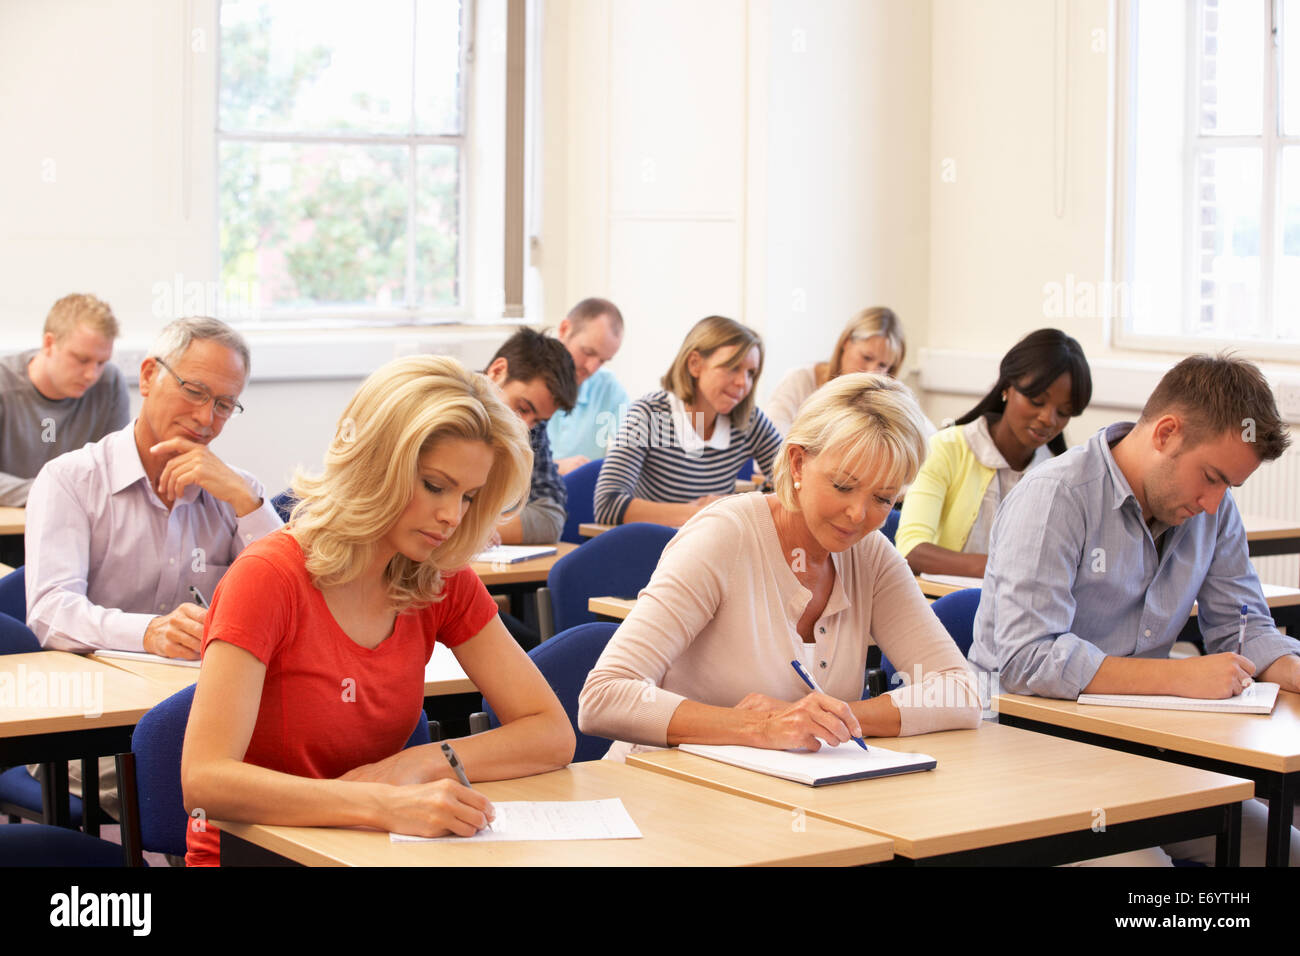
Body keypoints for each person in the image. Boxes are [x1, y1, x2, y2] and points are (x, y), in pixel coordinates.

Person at [181, 355, 575, 865]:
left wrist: (422, 762)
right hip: (258, 854)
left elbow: (551, 732)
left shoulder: (437, 574)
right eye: (435, 486)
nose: (452, 516)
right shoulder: (268, 577)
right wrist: (381, 802)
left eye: (469, 497)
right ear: (375, 462)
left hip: (374, 849)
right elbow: (204, 780)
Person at [969, 353, 1300, 865]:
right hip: (1027, 756)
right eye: (1210, 477)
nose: (1213, 503)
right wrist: (1178, 677)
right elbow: (1027, 661)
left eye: (1227, 487)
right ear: (1166, 433)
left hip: (1141, 757)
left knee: (1286, 852)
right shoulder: (1056, 496)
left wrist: (1293, 669)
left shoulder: (1213, 510)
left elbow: (1244, 626)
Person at [580, 374, 981, 759]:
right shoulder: (725, 537)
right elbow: (604, 696)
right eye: (843, 486)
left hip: (783, 800)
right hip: (666, 793)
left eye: (883, 498)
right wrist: (762, 726)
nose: (859, 514)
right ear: (798, 463)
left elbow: (960, 692)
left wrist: (832, 719)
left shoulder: (871, 556)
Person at [22, 316, 282, 817]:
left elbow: (296, 598)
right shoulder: (71, 480)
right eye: (194, 391)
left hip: (209, 716)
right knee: (216, 792)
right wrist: (150, 632)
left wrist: (247, 502)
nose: (207, 417)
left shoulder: (236, 490)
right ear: (147, 377)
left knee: (284, 774)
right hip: (93, 725)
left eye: (225, 404)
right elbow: (51, 611)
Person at [896, 328, 1092, 578]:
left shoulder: (1061, 476)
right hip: (942, 607)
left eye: (1063, 412)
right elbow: (911, 550)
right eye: (1037, 401)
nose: (1048, 419)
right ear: (1008, 388)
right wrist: (1007, 567)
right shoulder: (947, 448)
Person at [593, 316, 783, 527]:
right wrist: (704, 512)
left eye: (751, 373)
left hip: (714, 549)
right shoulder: (648, 414)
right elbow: (607, 505)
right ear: (695, 364)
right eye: (733, 367)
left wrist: (741, 504)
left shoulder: (751, 421)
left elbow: (795, 485)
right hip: (652, 549)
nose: (743, 383)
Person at [0, 293, 129, 508]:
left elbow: (116, 469)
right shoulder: (4, 384)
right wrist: (55, 491)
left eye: (101, 362)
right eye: (82, 360)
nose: (92, 374)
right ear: (49, 343)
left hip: (82, 527)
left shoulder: (110, 383)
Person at [764, 306, 927, 436]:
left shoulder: (891, 398)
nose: (872, 372)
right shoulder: (799, 381)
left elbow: (929, 440)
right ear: (846, 343)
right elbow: (771, 449)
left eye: (883, 365)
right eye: (867, 358)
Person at [482, 328, 578, 545]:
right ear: (497, 372)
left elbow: (551, 517)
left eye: (538, 420)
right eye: (522, 408)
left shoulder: (531, 427)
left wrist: (474, 531)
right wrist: (472, 531)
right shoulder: (444, 410)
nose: (524, 428)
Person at [546, 297, 628, 475]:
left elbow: (632, 447)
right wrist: (554, 467)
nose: (592, 367)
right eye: (588, 352)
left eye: (603, 360)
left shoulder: (608, 388)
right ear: (564, 330)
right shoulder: (524, 379)